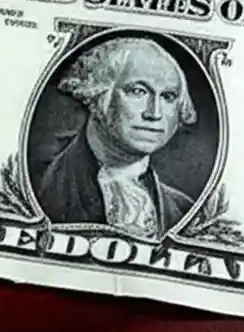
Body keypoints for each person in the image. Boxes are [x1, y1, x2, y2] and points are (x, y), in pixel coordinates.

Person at [35, 37, 197, 239]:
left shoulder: (183, 210)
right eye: (138, 92)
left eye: (168, 97)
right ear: (96, 94)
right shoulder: (39, 185)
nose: (154, 113)